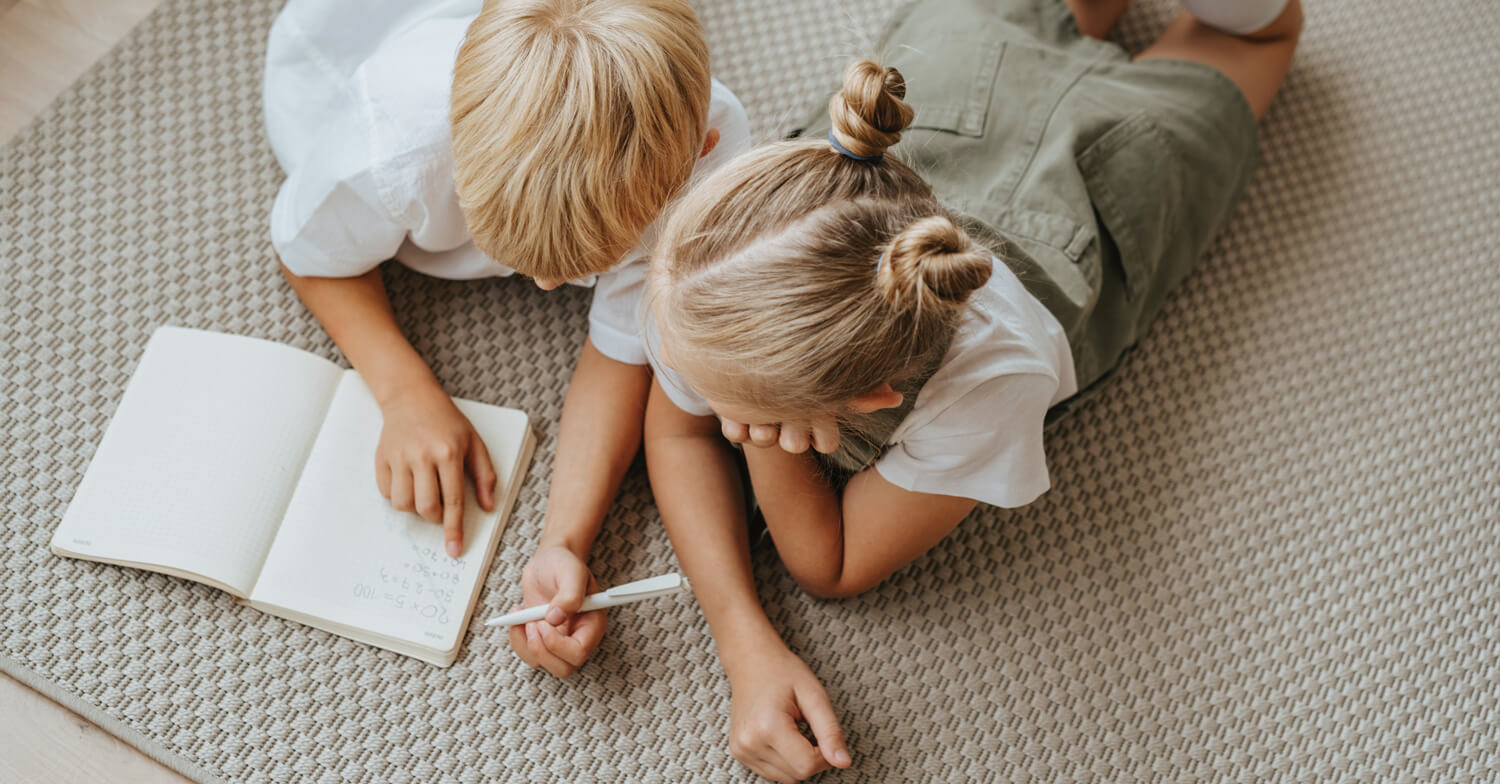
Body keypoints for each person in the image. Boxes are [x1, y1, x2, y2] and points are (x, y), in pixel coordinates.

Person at [638, 0, 1303, 780]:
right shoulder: (706, 286)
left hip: (1098, 183)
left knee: (1257, 33)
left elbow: (832, 565)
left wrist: (761, 445)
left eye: (733, 412)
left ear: (874, 399)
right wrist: (743, 637)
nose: (699, 402)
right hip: (959, 74)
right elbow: (675, 432)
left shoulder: (992, 383)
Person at [262, 0, 748, 676]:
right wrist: (404, 393)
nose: (547, 288)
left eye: (578, 267)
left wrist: (565, 540)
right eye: (524, 259)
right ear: (455, 149)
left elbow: (622, 351)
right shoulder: (390, 146)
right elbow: (305, 253)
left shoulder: (714, 155)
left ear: (699, 151)